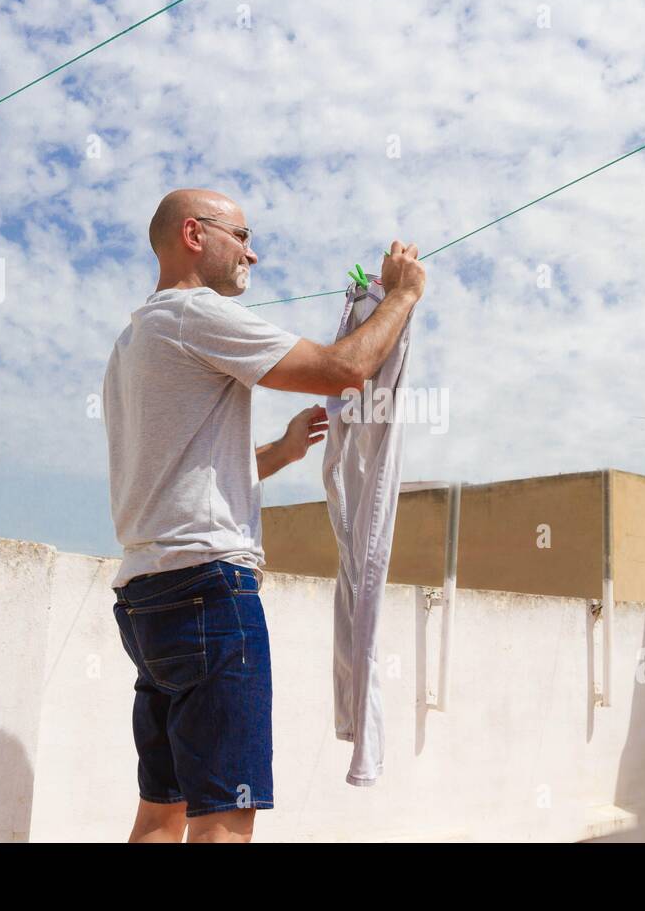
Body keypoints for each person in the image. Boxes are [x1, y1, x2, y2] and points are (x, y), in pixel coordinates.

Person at [102, 188, 426, 842]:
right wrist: (403, 294)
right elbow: (345, 369)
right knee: (225, 817)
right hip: (208, 593)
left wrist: (276, 453)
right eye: (242, 234)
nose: (254, 250)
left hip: (146, 597)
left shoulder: (134, 338)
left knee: (161, 815)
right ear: (195, 234)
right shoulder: (196, 314)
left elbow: (176, 473)